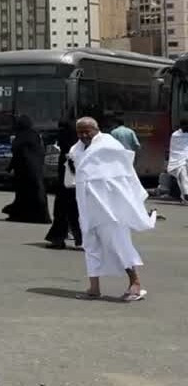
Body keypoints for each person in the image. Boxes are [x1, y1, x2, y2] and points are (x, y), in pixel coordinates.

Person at [68, 116, 155, 302]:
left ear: (96, 129)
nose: (83, 135)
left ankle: (136, 283)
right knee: (90, 245)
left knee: (118, 244)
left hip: (109, 207)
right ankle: (94, 288)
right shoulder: (75, 150)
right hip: (87, 205)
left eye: (87, 131)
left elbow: (123, 173)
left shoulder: (109, 144)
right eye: (80, 132)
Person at [3, 115, 51, 224]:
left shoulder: (21, 137)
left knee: (24, 195)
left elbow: (18, 154)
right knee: (35, 193)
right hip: (35, 169)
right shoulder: (34, 135)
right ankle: (39, 216)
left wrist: (10, 168)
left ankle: (24, 215)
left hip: (24, 171)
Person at [45, 120, 82, 249]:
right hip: (76, 186)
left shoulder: (69, 150)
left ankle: (58, 239)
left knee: (63, 212)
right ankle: (80, 240)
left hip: (67, 186)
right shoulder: (79, 144)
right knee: (76, 213)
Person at [164, 118, 188, 202]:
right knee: (183, 176)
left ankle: (184, 195)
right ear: (182, 126)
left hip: (186, 159)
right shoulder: (175, 135)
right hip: (179, 159)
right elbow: (175, 149)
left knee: (183, 178)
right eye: (186, 126)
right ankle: (186, 194)